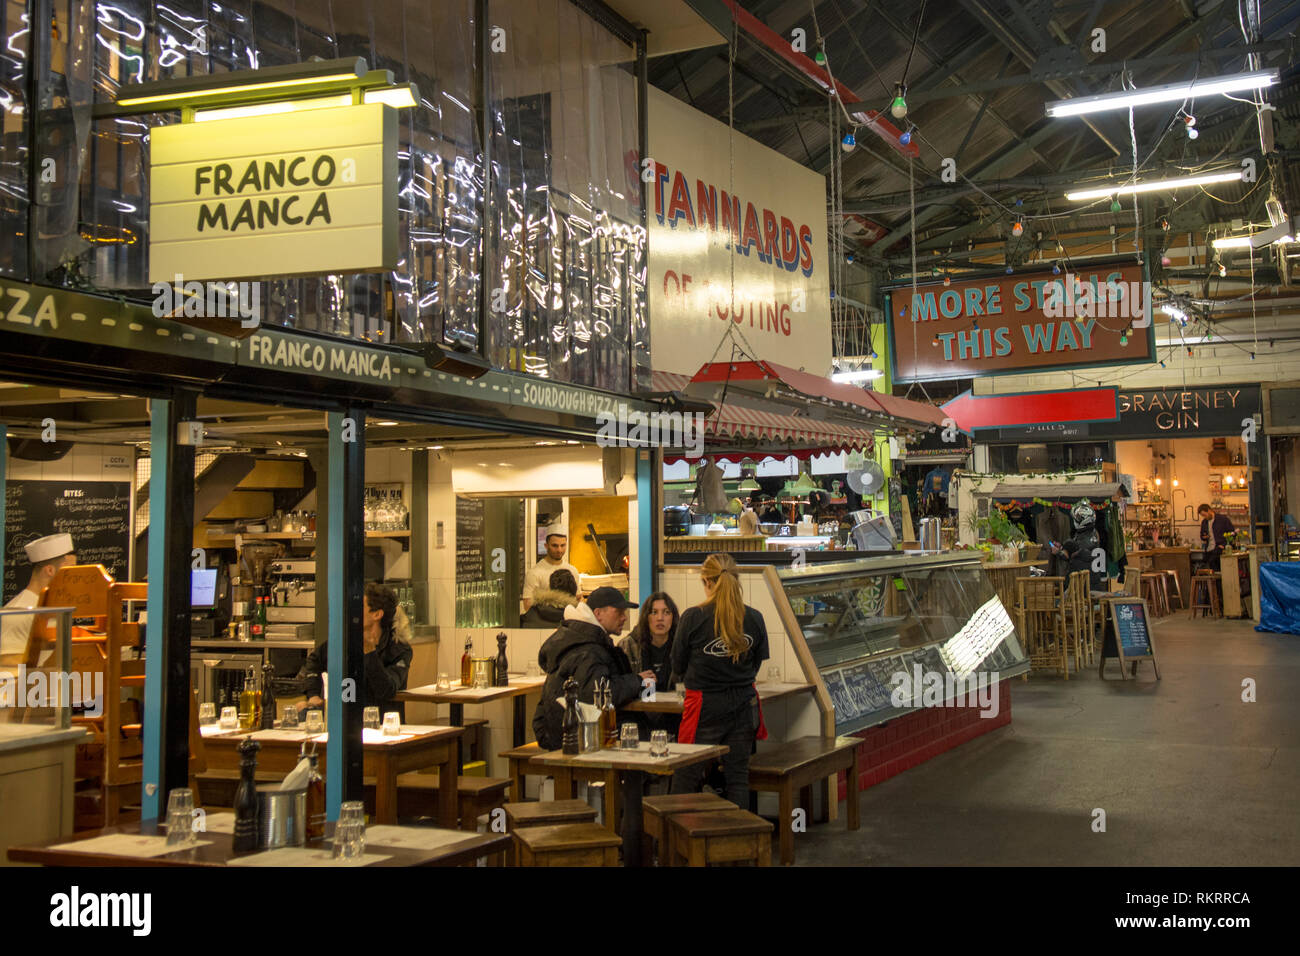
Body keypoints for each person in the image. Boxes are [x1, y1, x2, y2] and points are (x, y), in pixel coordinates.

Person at [669, 553, 769, 808]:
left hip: (704, 705)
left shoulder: (693, 617)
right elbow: (756, 664)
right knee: (737, 778)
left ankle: (681, 840)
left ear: (706, 581)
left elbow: (677, 666)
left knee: (687, 774)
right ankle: (740, 842)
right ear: (737, 580)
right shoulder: (755, 617)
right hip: (745, 704)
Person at [532, 586, 651, 750]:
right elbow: (598, 695)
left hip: (560, 729)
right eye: (619, 612)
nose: (624, 618)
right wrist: (638, 681)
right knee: (641, 735)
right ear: (598, 614)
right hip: (571, 736)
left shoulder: (581, 640)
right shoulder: (588, 650)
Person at [297, 582, 412, 718]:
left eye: (358, 606)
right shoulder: (344, 641)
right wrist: (313, 695)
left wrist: (369, 653)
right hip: (345, 721)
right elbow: (313, 663)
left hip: (381, 724)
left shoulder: (399, 649)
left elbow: (387, 690)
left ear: (377, 614)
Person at [1, 533, 76, 667]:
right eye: (69, 572)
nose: (75, 578)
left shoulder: (57, 610)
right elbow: (7, 664)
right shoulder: (17, 612)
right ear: (50, 570)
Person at [617, 592, 681, 736]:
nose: (660, 618)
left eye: (666, 612)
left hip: (674, 717)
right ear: (646, 617)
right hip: (637, 718)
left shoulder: (681, 647)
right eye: (654, 612)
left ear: (673, 617)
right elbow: (619, 686)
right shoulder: (628, 646)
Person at [1050, 500, 1105, 591]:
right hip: (1092, 581)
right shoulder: (1093, 533)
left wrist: (1059, 552)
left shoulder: (1083, 537)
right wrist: (1061, 549)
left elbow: (1075, 554)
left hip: (1083, 585)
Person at [522, 533, 578, 611]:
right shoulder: (534, 573)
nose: (559, 550)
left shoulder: (573, 570)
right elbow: (527, 606)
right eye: (555, 546)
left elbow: (578, 598)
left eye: (562, 545)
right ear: (546, 546)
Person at [1198, 503, 1235, 571]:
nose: (1204, 517)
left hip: (1219, 549)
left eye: (1204, 515)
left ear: (1209, 510)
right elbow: (1202, 536)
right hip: (1208, 550)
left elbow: (1232, 533)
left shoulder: (1223, 519)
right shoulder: (1204, 522)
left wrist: (1224, 545)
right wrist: (1204, 537)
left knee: (1218, 569)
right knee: (1206, 567)